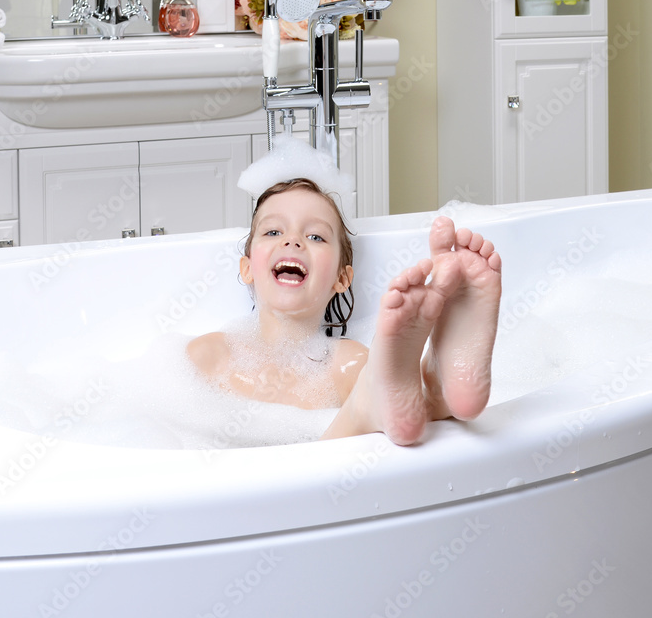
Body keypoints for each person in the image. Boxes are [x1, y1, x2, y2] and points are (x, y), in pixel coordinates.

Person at [186, 178, 502, 445]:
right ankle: (406, 396)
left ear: (341, 278)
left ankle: (440, 385)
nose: (293, 241)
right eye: (273, 232)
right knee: (372, 389)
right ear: (248, 268)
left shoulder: (349, 363)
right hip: (271, 493)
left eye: (315, 236)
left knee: (379, 382)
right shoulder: (208, 354)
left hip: (322, 496)